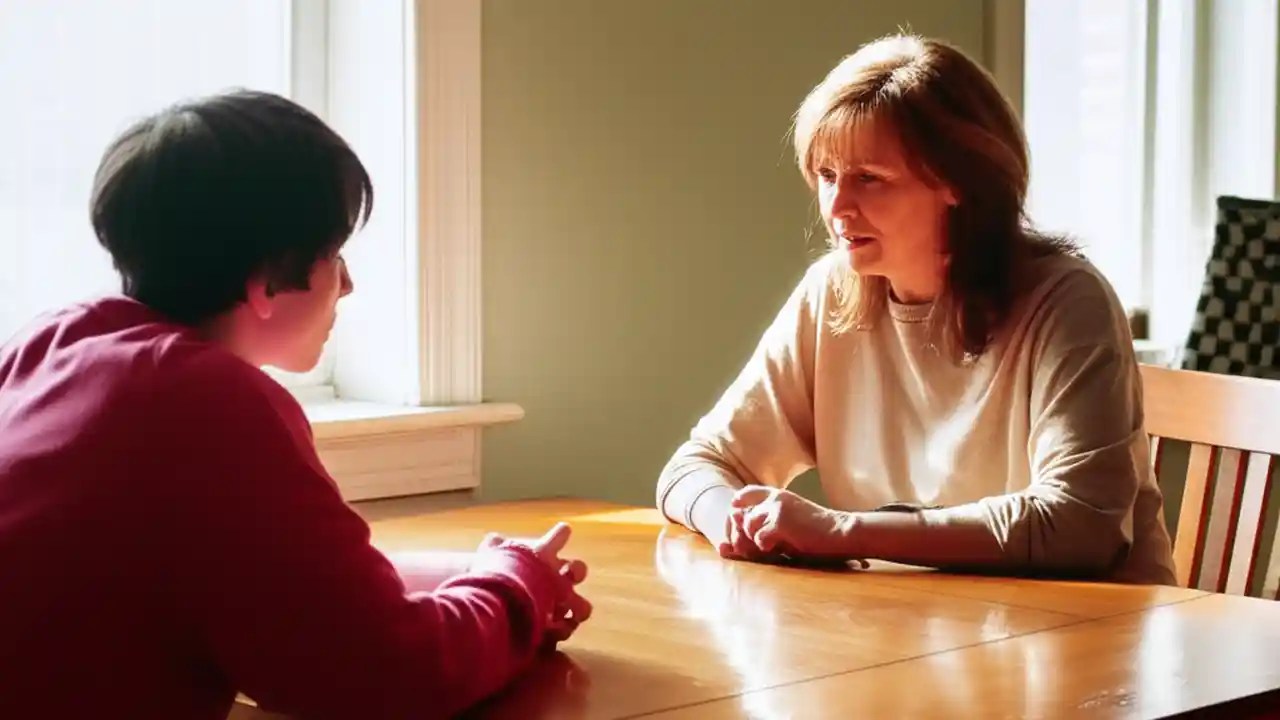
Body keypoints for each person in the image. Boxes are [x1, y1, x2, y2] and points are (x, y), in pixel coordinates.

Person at [0, 90, 590, 719]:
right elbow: (389, 676)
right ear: (268, 282)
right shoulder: (208, 402)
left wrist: (482, 569)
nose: (348, 284)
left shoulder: (47, 346)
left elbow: (278, 582)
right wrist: (516, 589)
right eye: (334, 256)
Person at [656, 34, 1177, 585]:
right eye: (827, 176)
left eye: (869, 178)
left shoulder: (1068, 302)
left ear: (957, 180)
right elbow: (695, 466)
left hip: (1088, 631)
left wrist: (844, 531)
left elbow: (1081, 525)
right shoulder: (831, 293)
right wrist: (733, 522)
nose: (836, 207)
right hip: (916, 627)